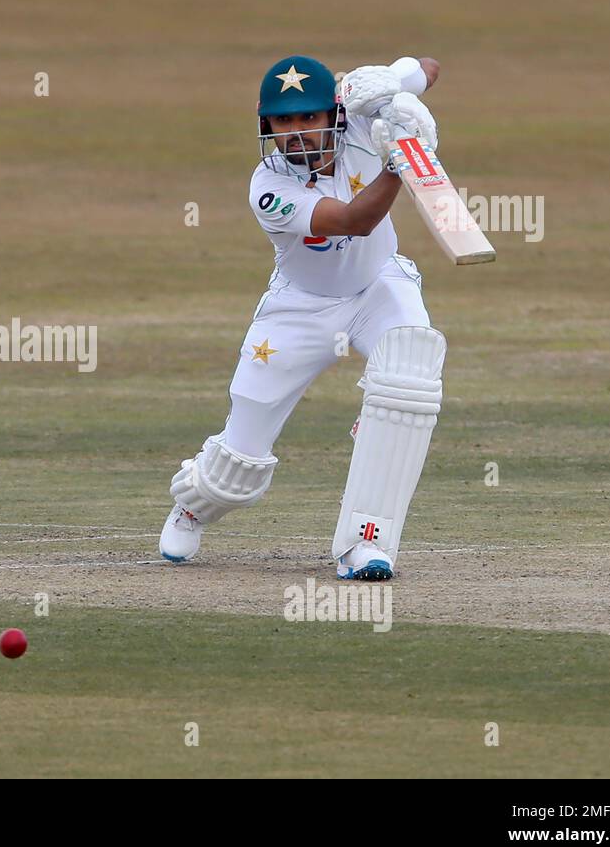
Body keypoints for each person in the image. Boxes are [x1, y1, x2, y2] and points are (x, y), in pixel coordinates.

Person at [159, 54, 447, 580]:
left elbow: (430, 67)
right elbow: (355, 221)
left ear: (332, 114)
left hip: (379, 285)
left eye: (308, 118)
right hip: (299, 307)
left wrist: (387, 84)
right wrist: (403, 160)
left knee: (409, 375)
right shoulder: (267, 186)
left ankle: (365, 542)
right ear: (265, 123)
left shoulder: (358, 115)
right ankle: (196, 503)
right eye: (283, 121)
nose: (296, 132)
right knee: (238, 466)